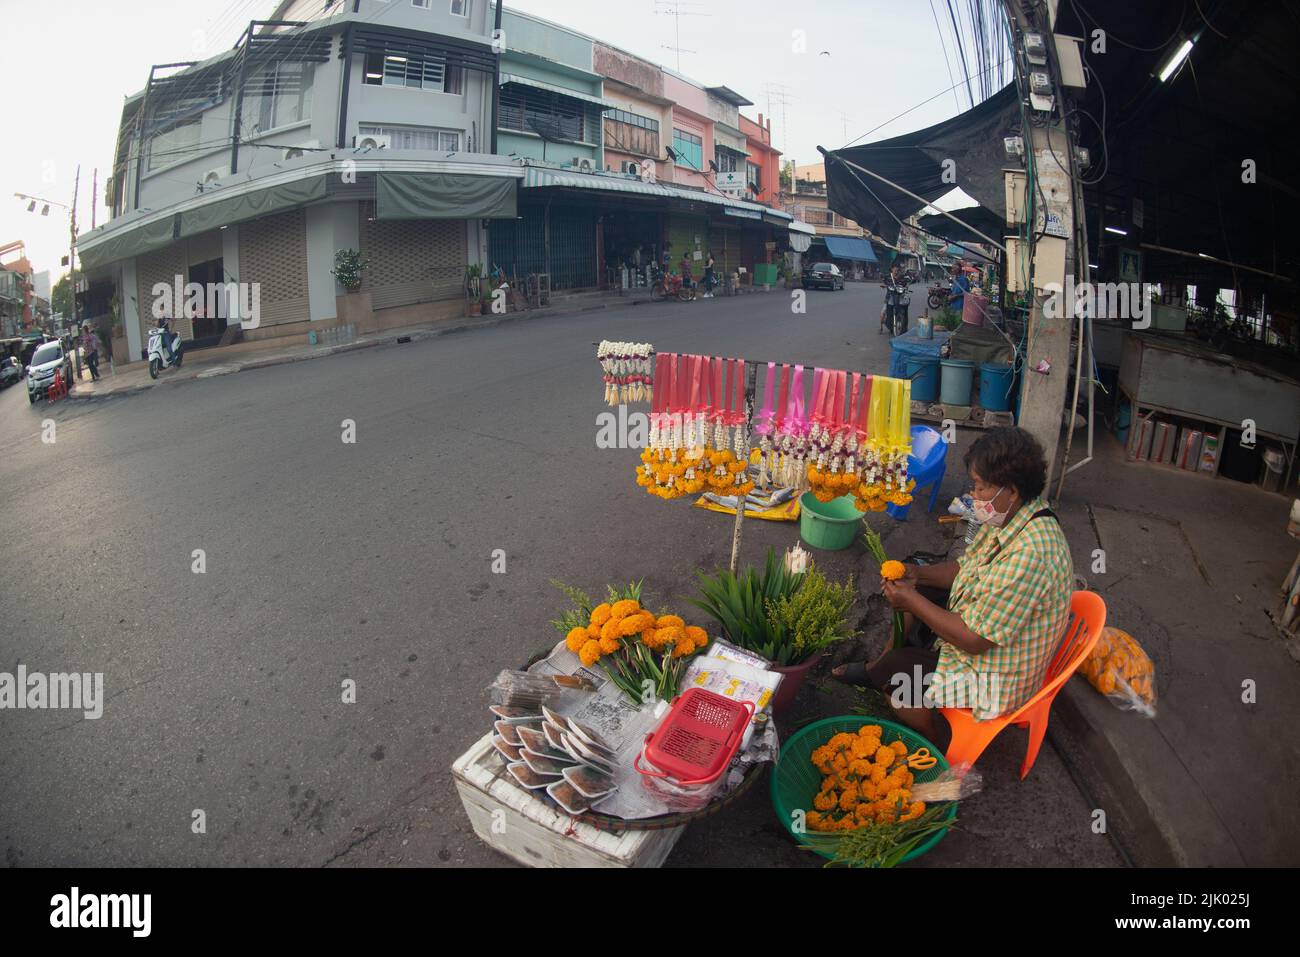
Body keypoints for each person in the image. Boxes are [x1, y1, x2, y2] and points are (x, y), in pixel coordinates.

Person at [832, 427, 1074, 752]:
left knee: (900, 676)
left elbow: (974, 640)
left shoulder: (1032, 554)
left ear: (1012, 490)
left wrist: (911, 600)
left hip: (996, 677)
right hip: (985, 627)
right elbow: (964, 569)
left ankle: (935, 740)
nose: (973, 495)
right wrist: (917, 575)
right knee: (918, 588)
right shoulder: (1013, 515)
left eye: (980, 486)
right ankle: (880, 666)